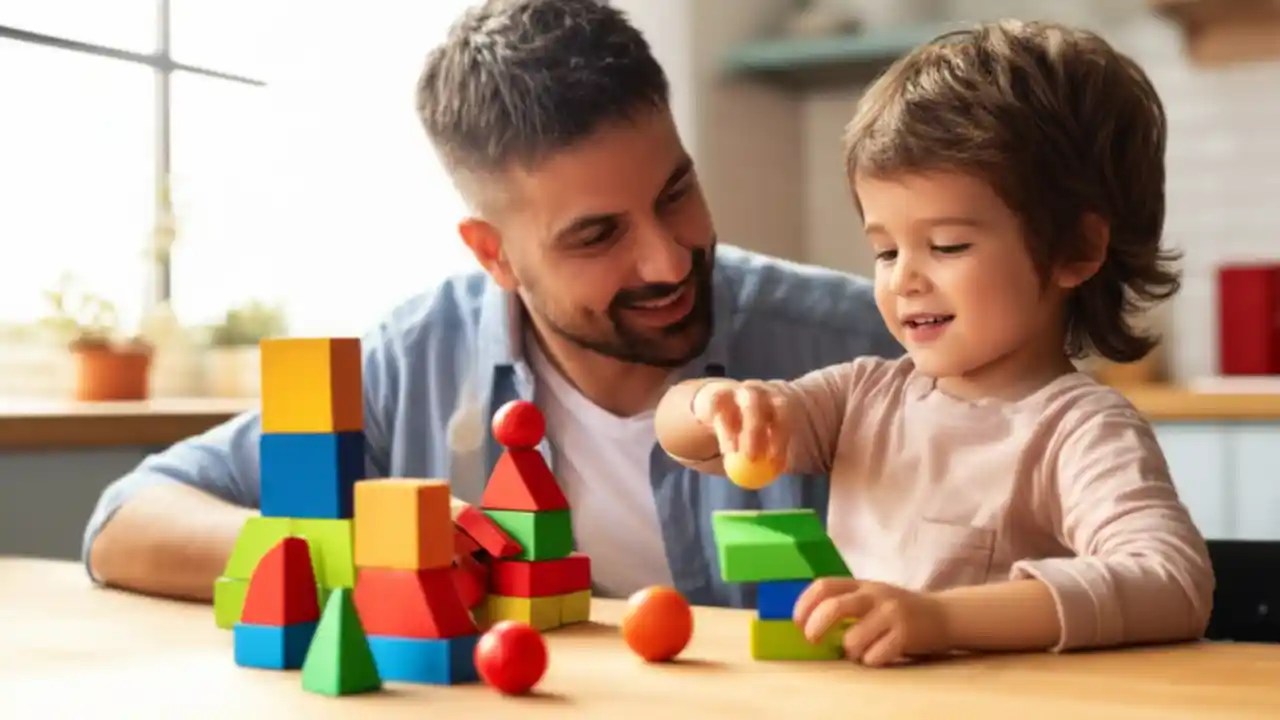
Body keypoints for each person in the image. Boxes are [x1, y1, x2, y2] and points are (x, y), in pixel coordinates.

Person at [82, 0, 901, 608]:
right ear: (493, 254)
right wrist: (362, 548)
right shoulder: (409, 362)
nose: (667, 256)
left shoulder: (865, 339)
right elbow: (125, 524)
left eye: (676, 191)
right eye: (596, 236)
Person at [655, 19, 1215, 666]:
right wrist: (716, 407)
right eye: (885, 251)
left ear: (1076, 250)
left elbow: (1172, 582)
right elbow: (677, 433)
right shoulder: (863, 396)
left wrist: (940, 618)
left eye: (947, 245)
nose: (906, 279)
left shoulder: (1076, 429)